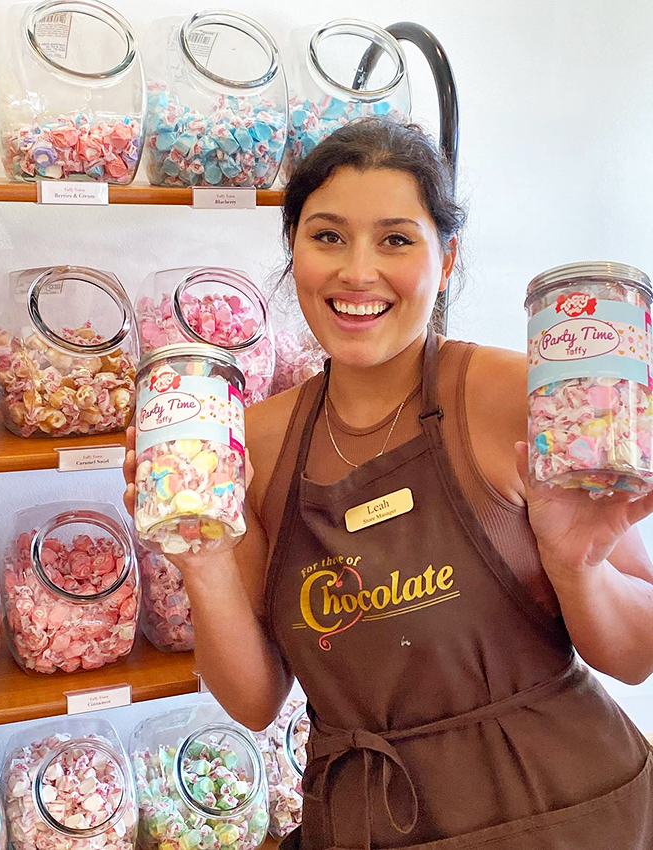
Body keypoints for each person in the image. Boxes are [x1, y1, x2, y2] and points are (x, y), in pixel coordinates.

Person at [124, 119, 653, 849]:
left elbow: (633, 656)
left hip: (559, 809)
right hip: (366, 821)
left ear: (446, 258)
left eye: (397, 239)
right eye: (328, 237)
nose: (357, 272)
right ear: (294, 251)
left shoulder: (518, 397)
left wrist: (576, 569)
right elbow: (254, 701)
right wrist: (200, 560)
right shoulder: (258, 440)